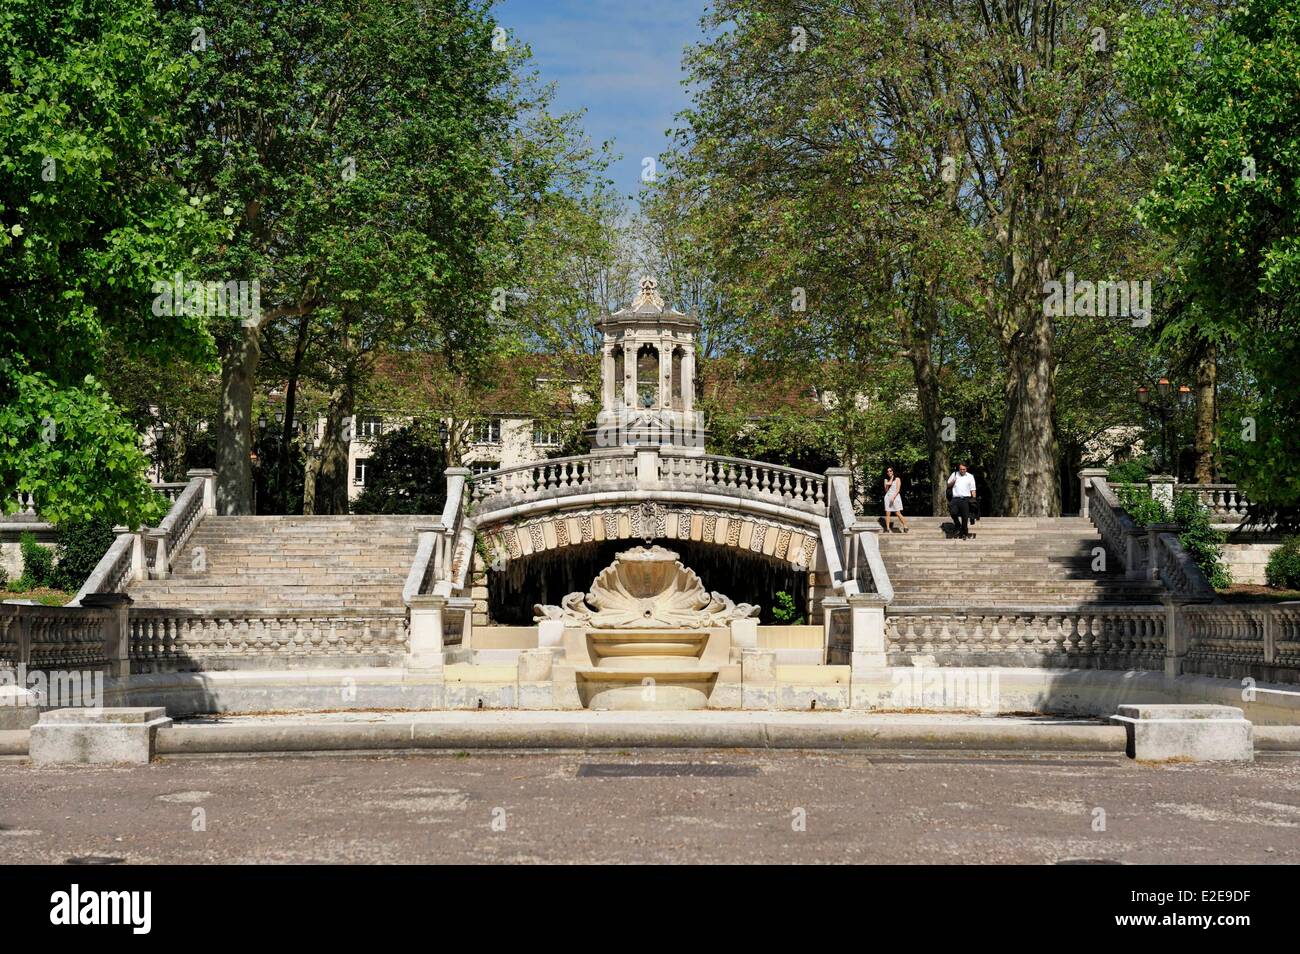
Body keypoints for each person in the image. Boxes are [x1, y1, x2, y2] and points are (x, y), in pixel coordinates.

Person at [947, 463, 977, 539]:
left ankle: (964, 533)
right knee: (952, 512)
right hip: (955, 498)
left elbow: (973, 489)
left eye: (964, 469)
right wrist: (953, 481)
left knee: (965, 517)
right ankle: (957, 525)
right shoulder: (954, 474)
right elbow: (948, 485)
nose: (962, 470)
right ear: (959, 469)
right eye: (961, 469)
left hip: (965, 499)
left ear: (966, 469)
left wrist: (974, 499)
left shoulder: (970, 476)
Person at [883, 466, 909, 533]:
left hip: (895, 497)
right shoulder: (886, 480)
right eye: (888, 471)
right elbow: (886, 490)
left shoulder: (897, 479)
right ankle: (888, 528)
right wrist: (890, 479)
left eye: (890, 471)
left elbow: (898, 489)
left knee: (897, 513)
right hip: (888, 497)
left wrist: (893, 497)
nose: (889, 472)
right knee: (887, 513)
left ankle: (905, 526)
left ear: (893, 471)